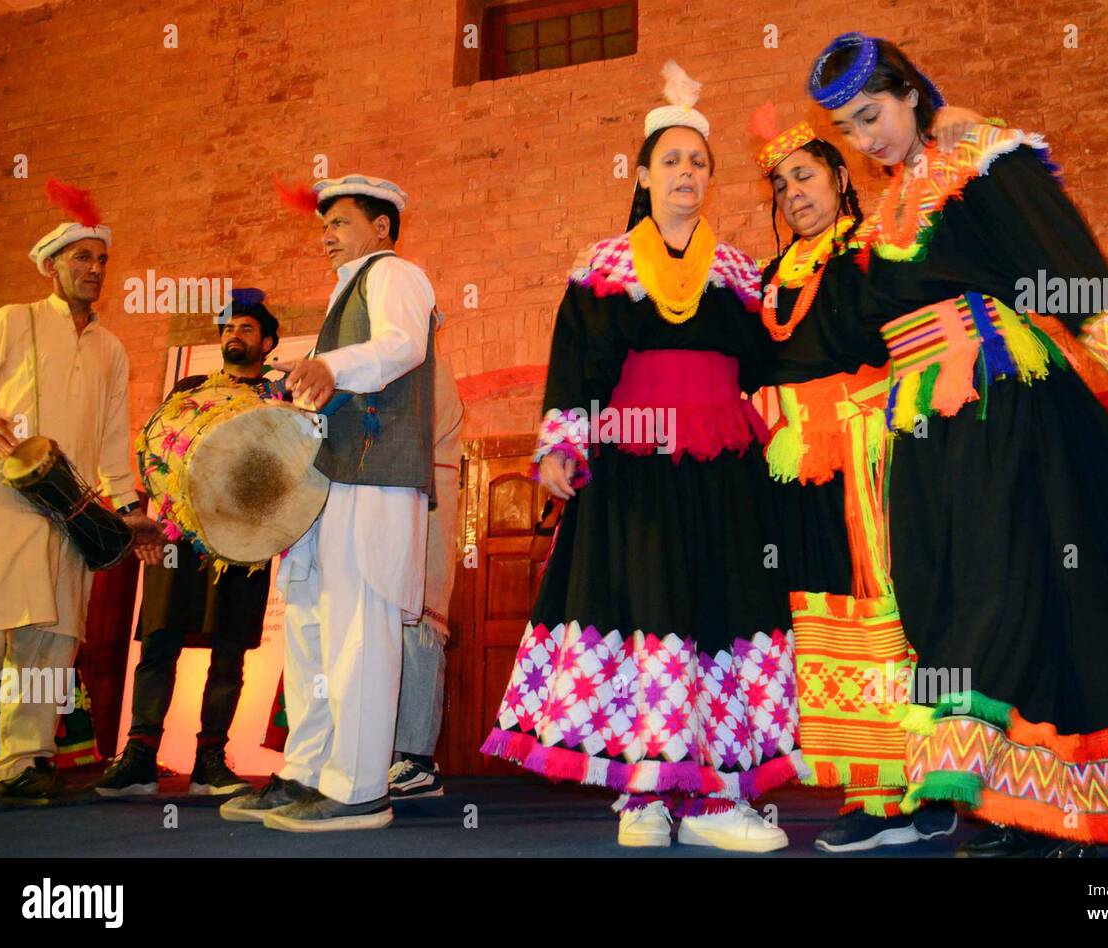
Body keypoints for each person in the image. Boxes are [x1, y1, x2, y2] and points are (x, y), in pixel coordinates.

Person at [807, 32, 1108, 856]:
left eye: (872, 115)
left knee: (1003, 588)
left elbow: (1047, 244)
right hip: (923, 429)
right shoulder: (885, 215)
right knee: (941, 597)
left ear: (911, 93)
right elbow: (851, 331)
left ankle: (1034, 803)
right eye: (848, 128)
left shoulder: (979, 158)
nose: (866, 138)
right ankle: (996, 794)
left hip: (999, 404)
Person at [481, 62, 801, 853]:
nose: (686, 171)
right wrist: (560, 446)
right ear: (643, 174)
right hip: (634, 462)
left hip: (725, 467)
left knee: (719, 608)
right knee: (648, 608)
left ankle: (716, 796)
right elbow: (577, 367)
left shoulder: (738, 272)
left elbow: (768, 368)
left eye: (699, 161)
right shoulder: (604, 267)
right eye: (672, 160)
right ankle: (645, 797)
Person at [749, 102, 983, 852]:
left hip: (878, 447)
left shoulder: (872, 248)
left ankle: (933, 782)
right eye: (781, 185)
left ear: (840, 177)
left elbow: (919, 332)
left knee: (902, 601)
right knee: (829, 615)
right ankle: (871, 788)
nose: (794, 194)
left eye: (805, 175)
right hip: (798, 462)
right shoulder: (768, 276)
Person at [221, 174, 436, 832]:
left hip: (372, 479)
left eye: (339, 223)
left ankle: (359, 789)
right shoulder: (346, 297)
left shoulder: (394, 274)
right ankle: (305, 771)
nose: (327, 236)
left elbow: (404, 345)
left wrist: (333, 368)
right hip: (330, 483)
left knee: (359, 630)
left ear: (380, 228)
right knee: (311, 629)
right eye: (324, 226)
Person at [0, 179, 161, 802]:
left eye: (102, 260)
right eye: (82, 257)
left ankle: (25, 759)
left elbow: (113, 438)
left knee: (54, 636)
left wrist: (128, 509)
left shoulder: (110, 348)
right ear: (51, 265)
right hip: (1, 497)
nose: (95, 269)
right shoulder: (11, 320)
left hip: (75, 510)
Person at [96, 290, 285, 798]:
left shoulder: (276, 399)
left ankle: (209, 761)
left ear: (266, 342)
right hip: (178, 534)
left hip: (244, 539)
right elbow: (157, 449)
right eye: (227, 329)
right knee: (160, 639)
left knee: (230, 648)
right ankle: (139, 754)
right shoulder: (189, 389)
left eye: (246, 329)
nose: (233, 335)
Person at [388, 355, 463, 800]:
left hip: (423, 511)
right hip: (393, 510)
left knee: (419, 628)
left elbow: (411, 439)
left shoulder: (434, 373)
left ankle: (415, 760)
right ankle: (384, 756)